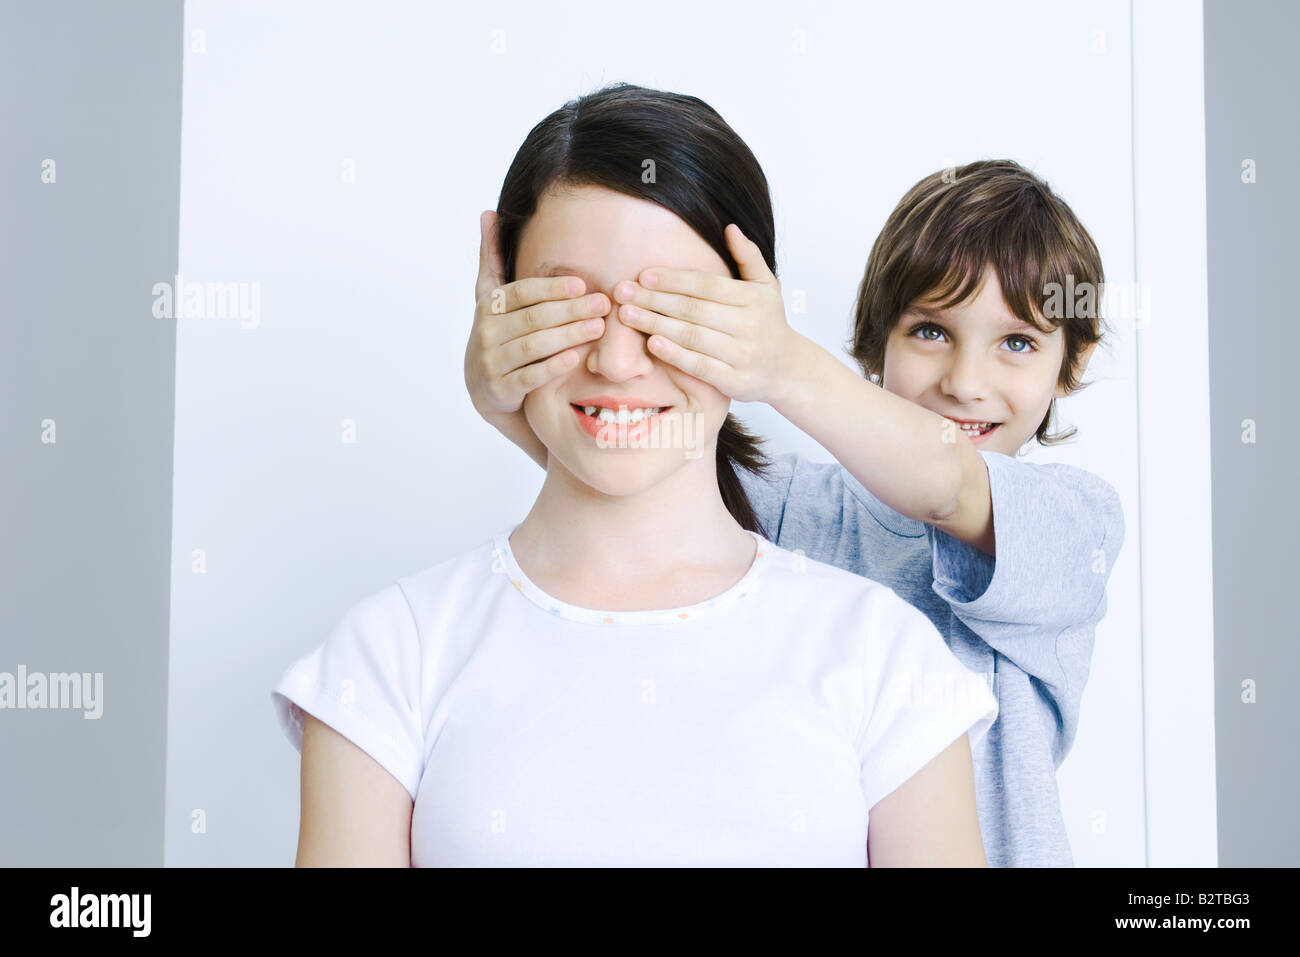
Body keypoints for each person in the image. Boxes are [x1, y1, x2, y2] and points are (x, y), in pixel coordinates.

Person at [272, 82, 997, 867]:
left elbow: (953, 483)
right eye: (566, 304)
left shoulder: (883, 655)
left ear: (754, 321)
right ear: (498, 304)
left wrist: (783, 363)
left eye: (670, 310)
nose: (617, 360)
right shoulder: (391, 653)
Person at [471, 153, 1126, 867]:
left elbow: (952, 485)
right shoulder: (786, 503)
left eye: (1018, 343)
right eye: (932, 331)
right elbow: (626, 481)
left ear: (1075, 361)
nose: (967, 383)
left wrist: (781, 362)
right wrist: (498, 398)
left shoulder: (1073, 523)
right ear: (877, 339)